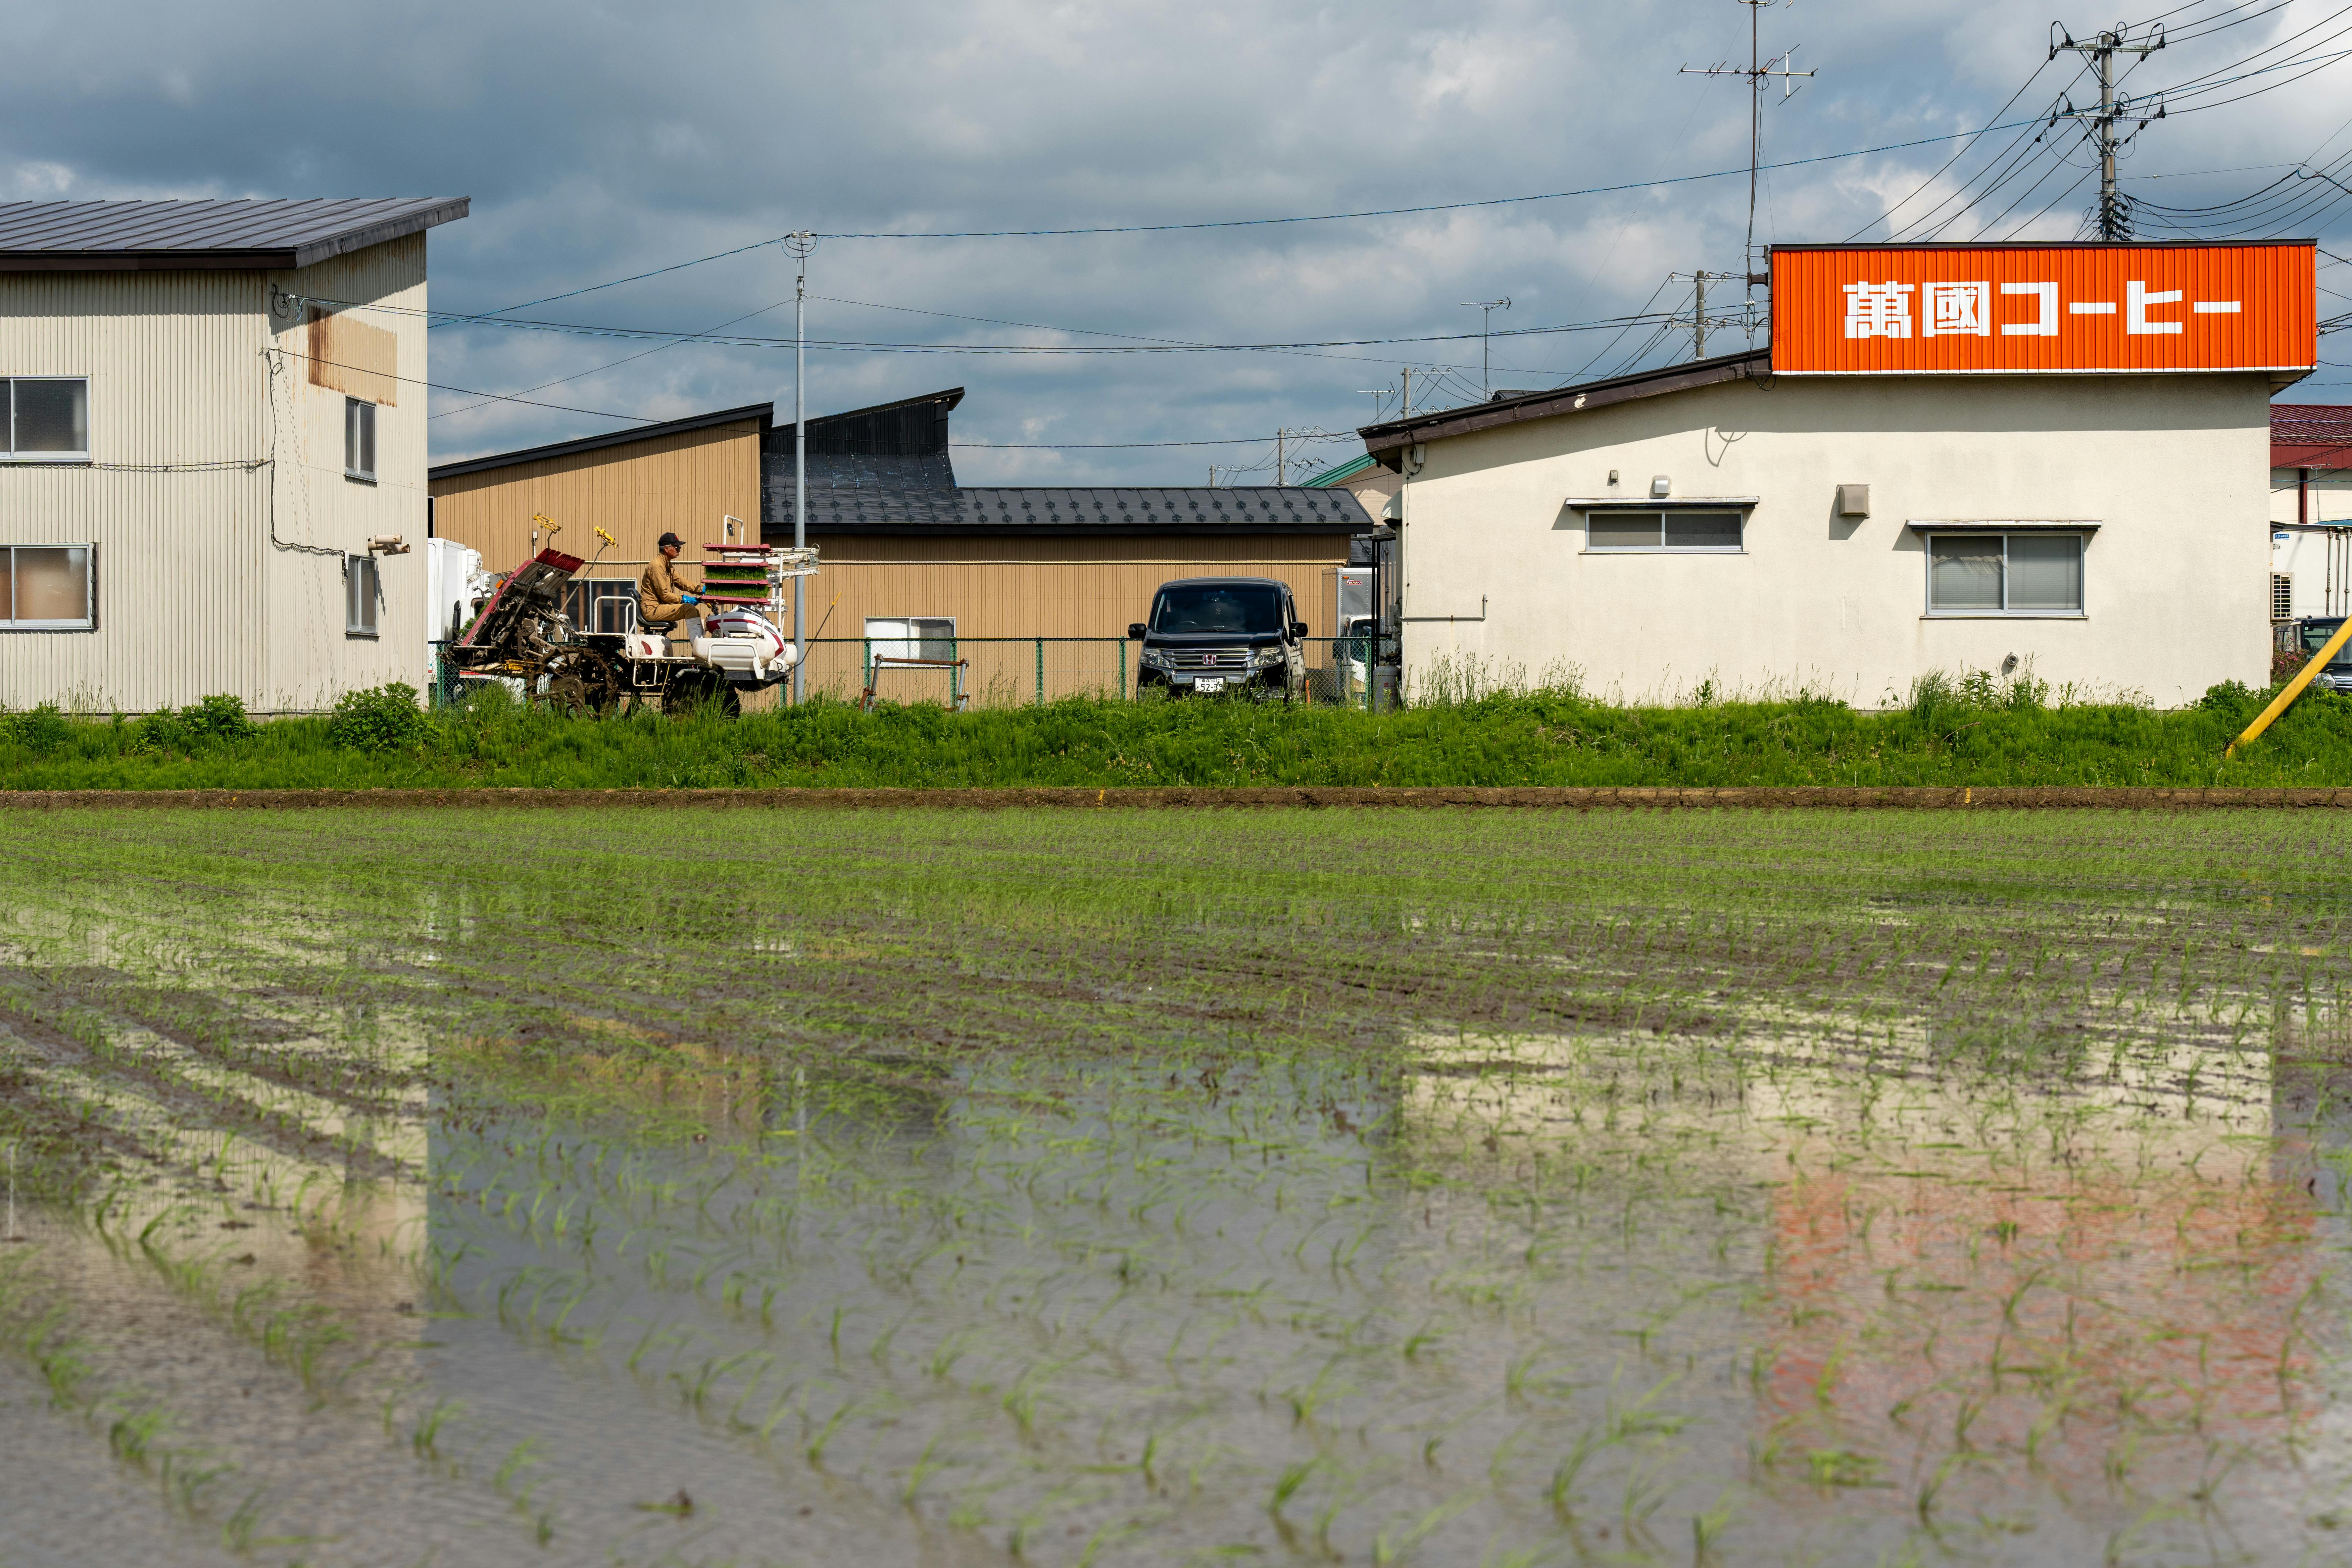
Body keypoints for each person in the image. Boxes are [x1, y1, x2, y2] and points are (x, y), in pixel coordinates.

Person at [638, 532, 703, 636]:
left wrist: (703, 589)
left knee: (694, 611)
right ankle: (698, 649)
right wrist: (684, 599)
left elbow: (682, 582)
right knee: (689, 609)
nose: (679, 550)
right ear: (667, 549)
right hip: (652, 609)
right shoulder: (656, 567)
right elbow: (665, 595)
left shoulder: (667, 565)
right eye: (677, 547)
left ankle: (700, 644)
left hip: (660, 607)